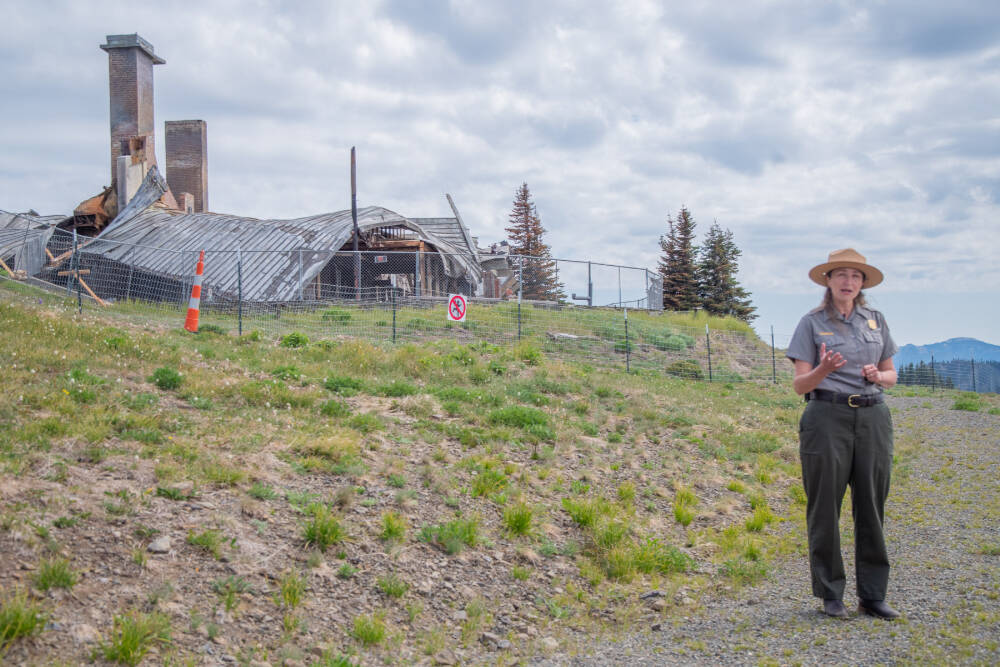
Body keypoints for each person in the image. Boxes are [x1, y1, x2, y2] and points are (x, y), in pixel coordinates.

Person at [786, 248, 900, 620]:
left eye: (855, 276)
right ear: (828, 281)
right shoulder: (811, 323)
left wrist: (877, 377)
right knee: (824, 508)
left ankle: (872, 595)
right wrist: (823, 369)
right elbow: (800, 385)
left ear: (862, 283)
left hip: (873, 416)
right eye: (841, 275)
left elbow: (891, 375)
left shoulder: (876, 321)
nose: (848, 282)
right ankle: (830, 593)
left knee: (871, 506)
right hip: (825, 417)